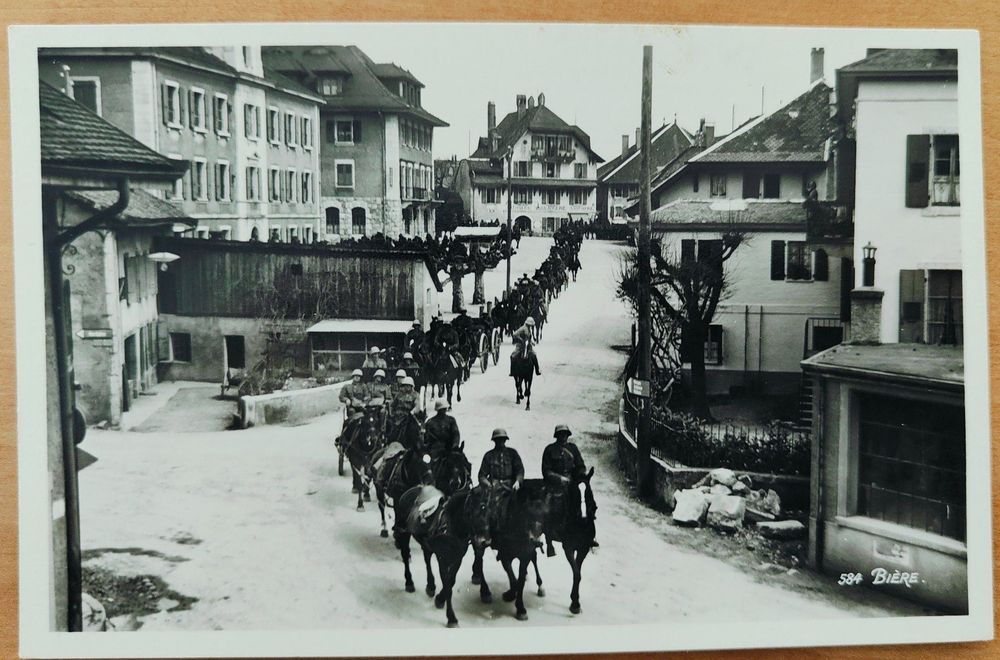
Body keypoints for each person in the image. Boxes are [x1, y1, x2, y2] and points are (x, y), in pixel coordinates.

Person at [479, 428, 525, 529]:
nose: (500, 442)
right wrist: (488, 484)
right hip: (495, 487)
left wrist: (517, 482)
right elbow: (482, 475)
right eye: (498, 440)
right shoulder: (489, 455)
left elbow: (520, 470)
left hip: (511, 486)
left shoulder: (512, 453)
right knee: (490, 509)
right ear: (494, 441)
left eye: (502, 440)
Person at [337, 369, 370, 449]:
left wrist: (365, 401)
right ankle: (344, 436)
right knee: (351, 416)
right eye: (355, 376)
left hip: (361, 407)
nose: (357, 378)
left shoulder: (364, 386)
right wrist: (346, 400)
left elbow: (368, 396)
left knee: (369, 419)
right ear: (353, 377)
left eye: (358, 377)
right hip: (352, 407)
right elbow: (341, 396)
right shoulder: (347, 387)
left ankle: (368, 437)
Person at [387, 376, 420, 448]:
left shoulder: (415, 395)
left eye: (409, 385)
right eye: (405, 385)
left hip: (408, 417)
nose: (407, 387)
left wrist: (413, 411)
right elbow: (392, 405)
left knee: (413, 432)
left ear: (412, 386)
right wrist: (391, 413)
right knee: (392, 433)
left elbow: (417, 406)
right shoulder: (398, 394)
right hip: (397, 417)